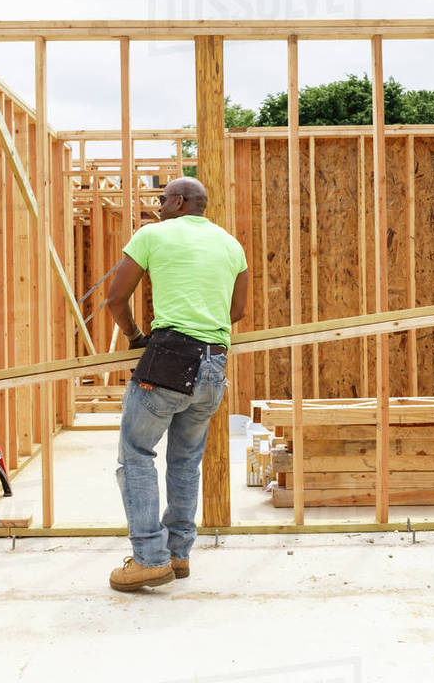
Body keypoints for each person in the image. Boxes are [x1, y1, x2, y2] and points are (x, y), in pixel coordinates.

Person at [105, 176, 248, 592]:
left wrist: (134, 337)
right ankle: (178, 554)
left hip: (168, 359)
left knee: (135, 455)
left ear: (180, 202)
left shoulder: (152, 235)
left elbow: (115, 299)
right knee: (185, 463)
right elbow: (236, 310)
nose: (158, 206)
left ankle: (149, 559)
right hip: (214, 367)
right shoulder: (230, 244)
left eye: (162, 199)